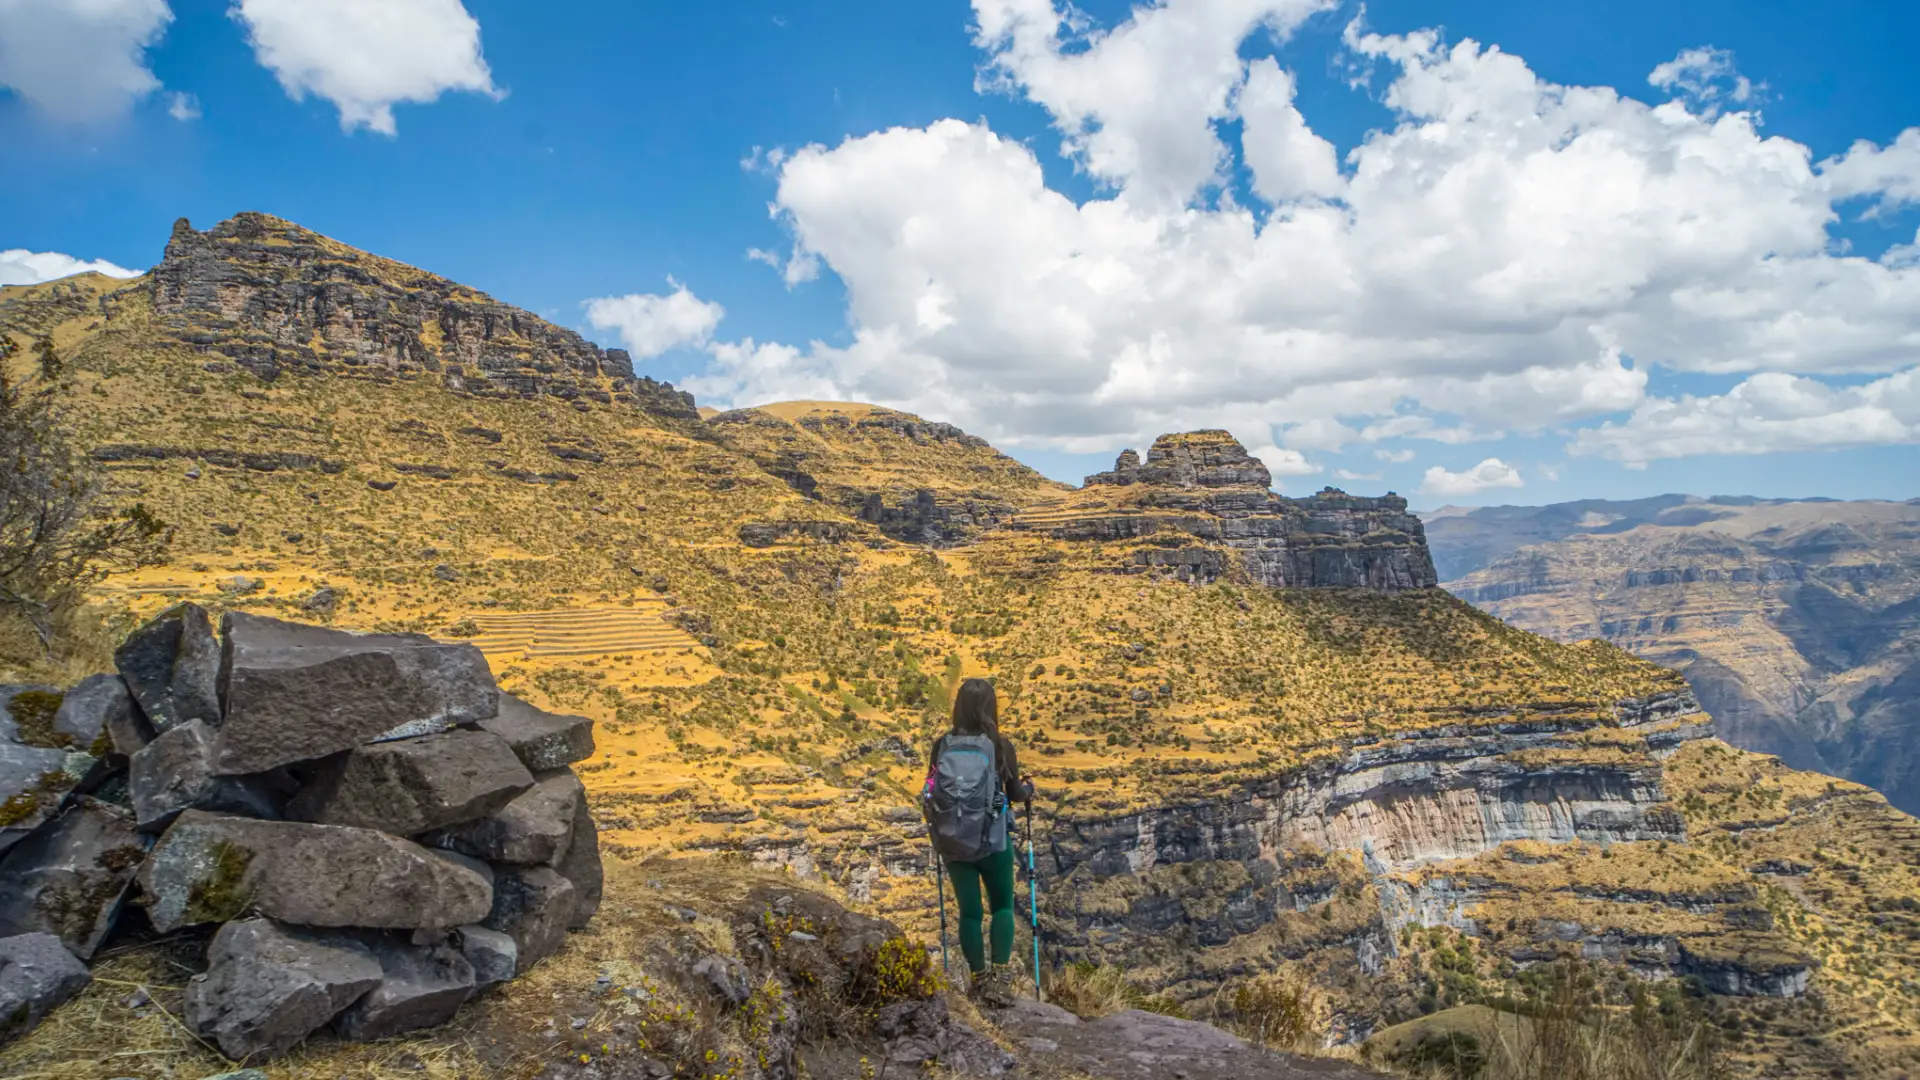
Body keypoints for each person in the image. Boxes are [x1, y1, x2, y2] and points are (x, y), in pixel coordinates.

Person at [926, 677, 1035, 1006]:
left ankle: (978, 979)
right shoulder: (1000, 745)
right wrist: (1028, 789)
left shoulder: (942, 745)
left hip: (953, 840)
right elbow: (1015, 793)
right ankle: (999, 979)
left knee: (970, 913)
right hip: (992, 839)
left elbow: (931, 790)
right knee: (1002, 906)